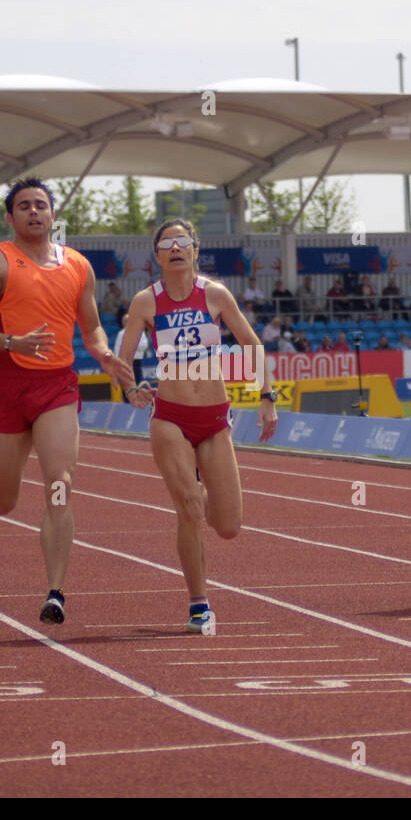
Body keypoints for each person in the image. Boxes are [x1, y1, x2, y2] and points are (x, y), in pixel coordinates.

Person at [0, 177, 134, 626]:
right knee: (5, 502)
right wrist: (10, 342)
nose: (34, 212)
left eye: (41, 205)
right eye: (24, 206)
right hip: (8, 382)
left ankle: (55, 591)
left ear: (54, 214)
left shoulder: (78, 265)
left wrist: (105, 354)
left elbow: (92, 326)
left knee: (60, 485)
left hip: (57, 386)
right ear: (10, 217)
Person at [121, 218, 277, 633]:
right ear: (156, 255)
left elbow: (252, 344)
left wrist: (267, 397)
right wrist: (132, 388)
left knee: (227, 526)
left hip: (214, 418)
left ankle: (197, 488)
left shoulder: (215, 294)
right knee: (190, 510)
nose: (175, 248)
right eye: (166, 243)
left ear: (195, 250)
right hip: (170, 417)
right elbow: (125, 358)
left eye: (183, 241)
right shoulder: (145, 302)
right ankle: (198, 604)